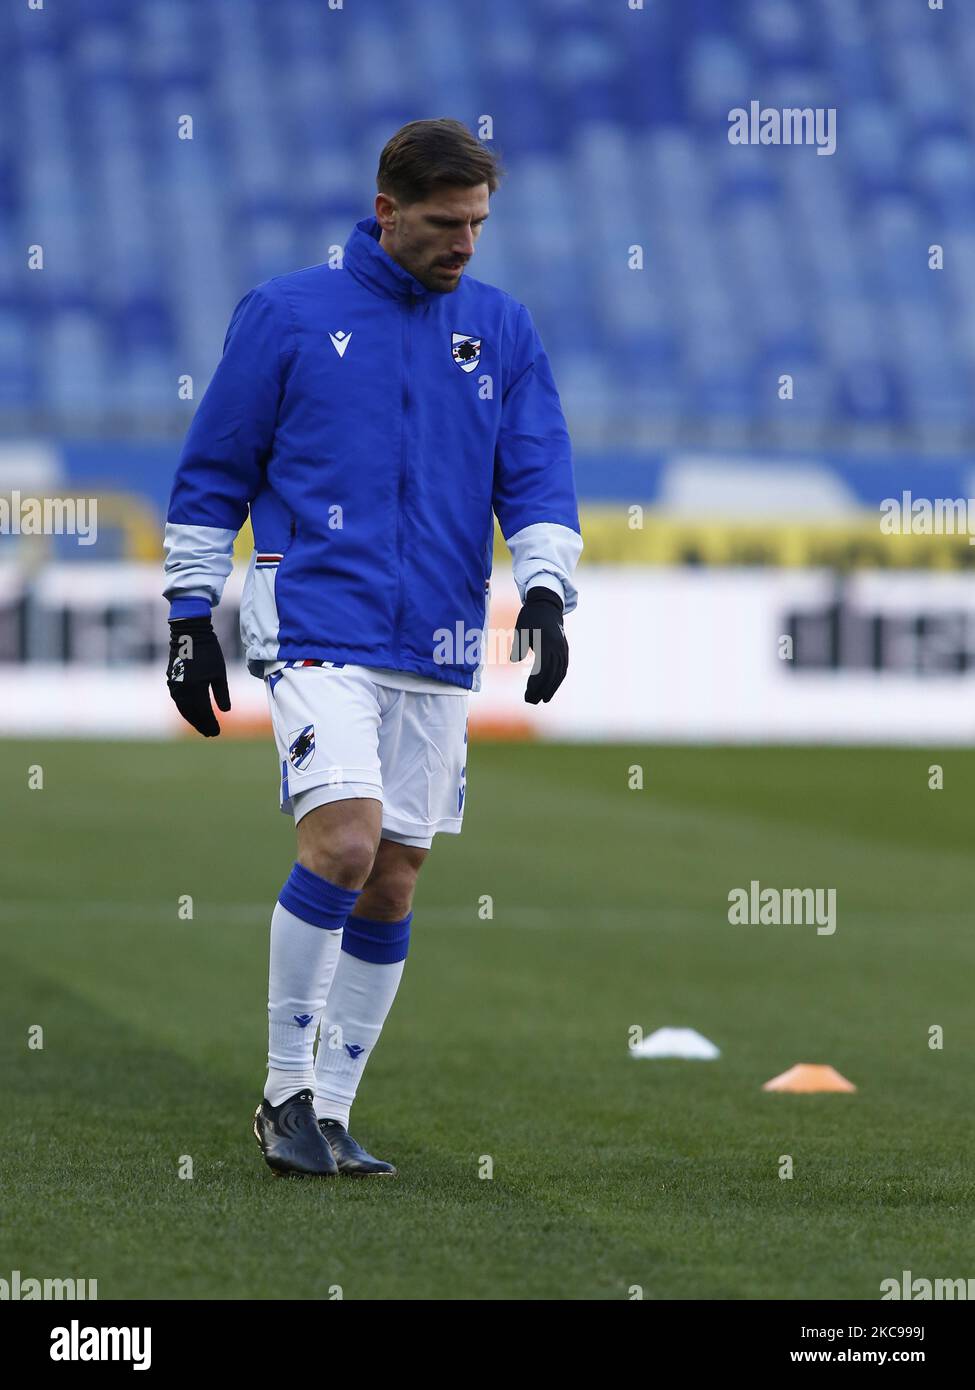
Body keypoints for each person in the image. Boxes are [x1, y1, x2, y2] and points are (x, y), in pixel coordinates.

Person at [161, 118, 583, 1178]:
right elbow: (214, 469)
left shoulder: (503, 329)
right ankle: (281, 1093)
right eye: (446, 224)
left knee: (393, 878)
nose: (467, 245)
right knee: (343, 845)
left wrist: (545, 591)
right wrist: (186, 613)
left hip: (438, 643)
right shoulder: (287, 313)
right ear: (387, 211)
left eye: (480, 223)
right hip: (317, 626)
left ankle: (333, 1112)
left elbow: (534, 474)